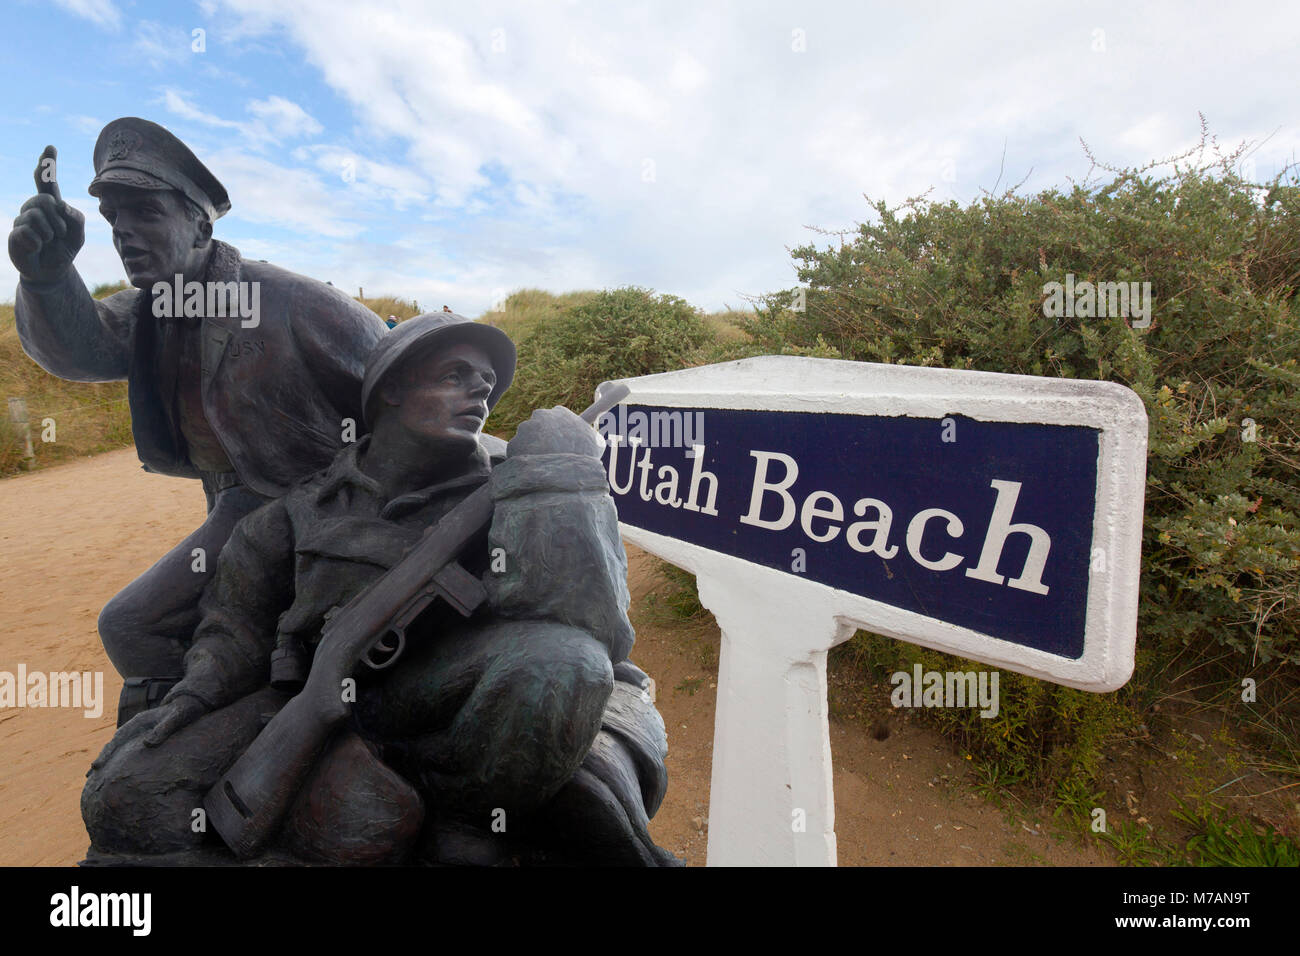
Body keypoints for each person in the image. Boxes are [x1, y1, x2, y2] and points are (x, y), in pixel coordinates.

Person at [81, 313, 677, 866]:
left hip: (446, 696)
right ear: (390, 388)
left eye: (486, 383)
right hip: (306, 694)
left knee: (564, 661)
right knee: (124, 795)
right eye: (455, 376)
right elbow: (234, 624)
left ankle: (467, 832)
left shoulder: (508, 488)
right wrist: (198, 693)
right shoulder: (295, 510)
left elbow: (585, 621)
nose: (480, 394)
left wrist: (559, 476)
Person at [8, 118, 386, 689]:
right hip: (235, 508)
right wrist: (47, 277)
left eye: (146, 213)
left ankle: (223, 727)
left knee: (131, 625)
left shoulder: (294, 301)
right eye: (115, 219)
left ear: (201, 226)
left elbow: (402, 380)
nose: (124, 233)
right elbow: (81, 349)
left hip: (314, 503)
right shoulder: (149, 310)